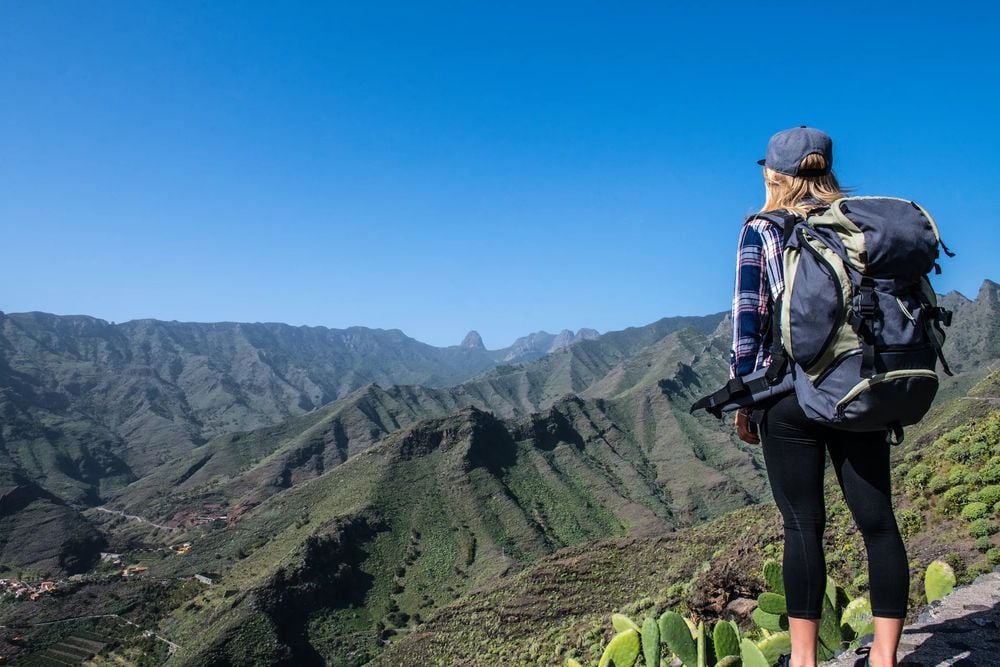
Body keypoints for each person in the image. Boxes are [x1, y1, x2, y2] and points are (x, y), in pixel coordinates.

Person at [730, 127, 909, 667]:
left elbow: (749, 320)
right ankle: (884, 657)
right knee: (878, 522)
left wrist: (745, 395)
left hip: (789, 395)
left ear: (773, 173)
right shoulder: (860, 224)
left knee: (803, 524)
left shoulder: (762, 228)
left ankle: (804, 662)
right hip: (859, 388)